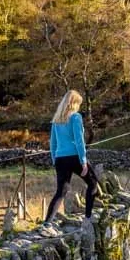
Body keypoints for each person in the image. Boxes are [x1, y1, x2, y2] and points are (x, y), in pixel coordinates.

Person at [45, 89, 99, 222]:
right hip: (74, 157)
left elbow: (53, 143)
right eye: (78, 104)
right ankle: (88, 216)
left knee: (61, 192)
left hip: (60, 159)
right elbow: (79, 140)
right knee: (93, 182)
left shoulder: (56, 120)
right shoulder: (75, 117)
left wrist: (55, 161)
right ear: (74, 103)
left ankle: (46, 223)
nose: (79, 107)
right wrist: (84, 161)